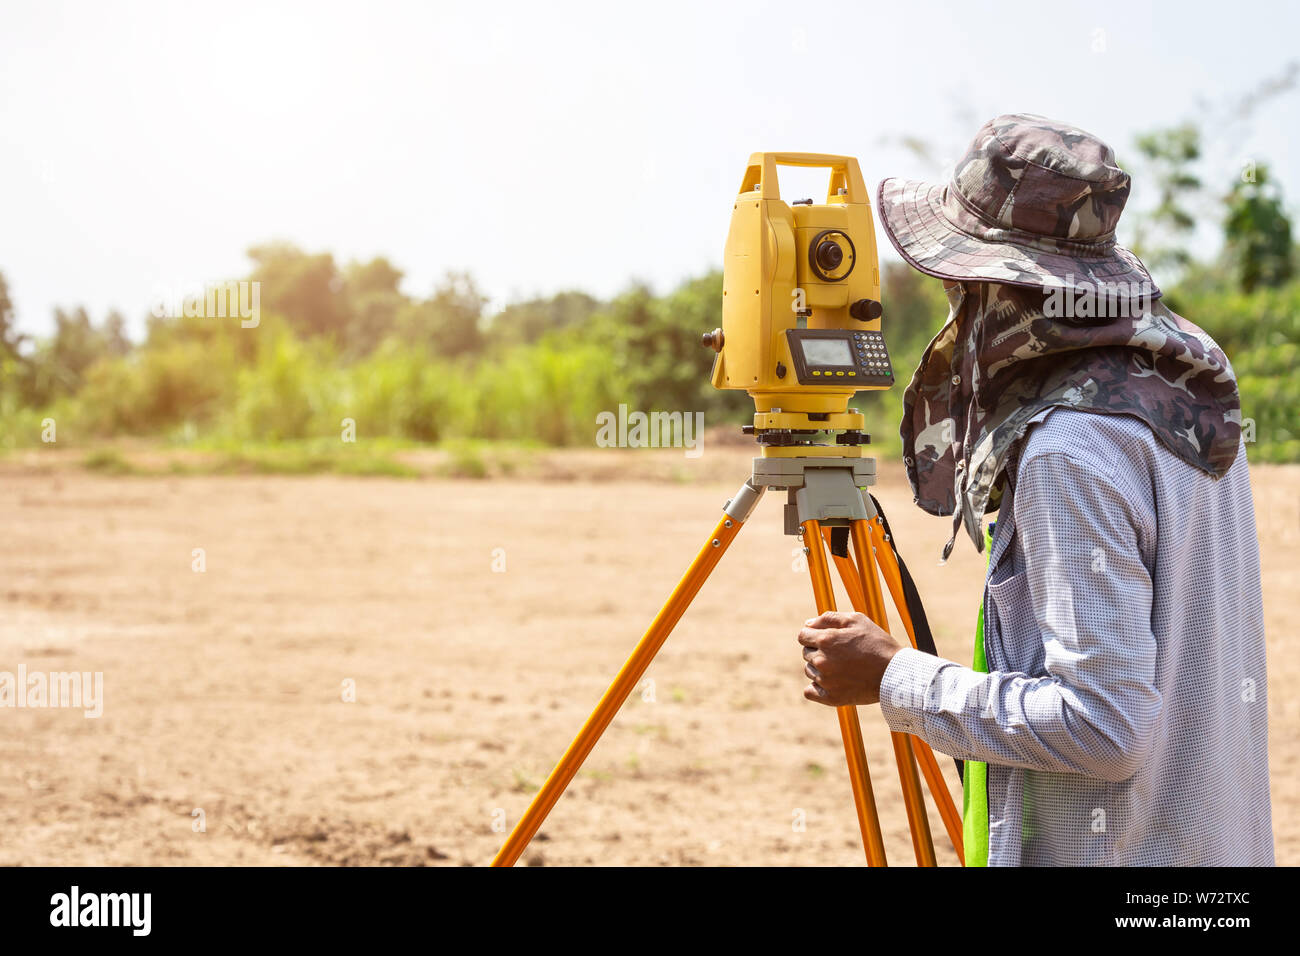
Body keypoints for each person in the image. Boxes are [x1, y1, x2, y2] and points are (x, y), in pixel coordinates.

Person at [797, 113, 1273, 866]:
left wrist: (895, 675)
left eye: (958, 276)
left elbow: (1105, 727)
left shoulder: (1067, 451)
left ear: (997, 284)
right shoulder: (1188, 388)